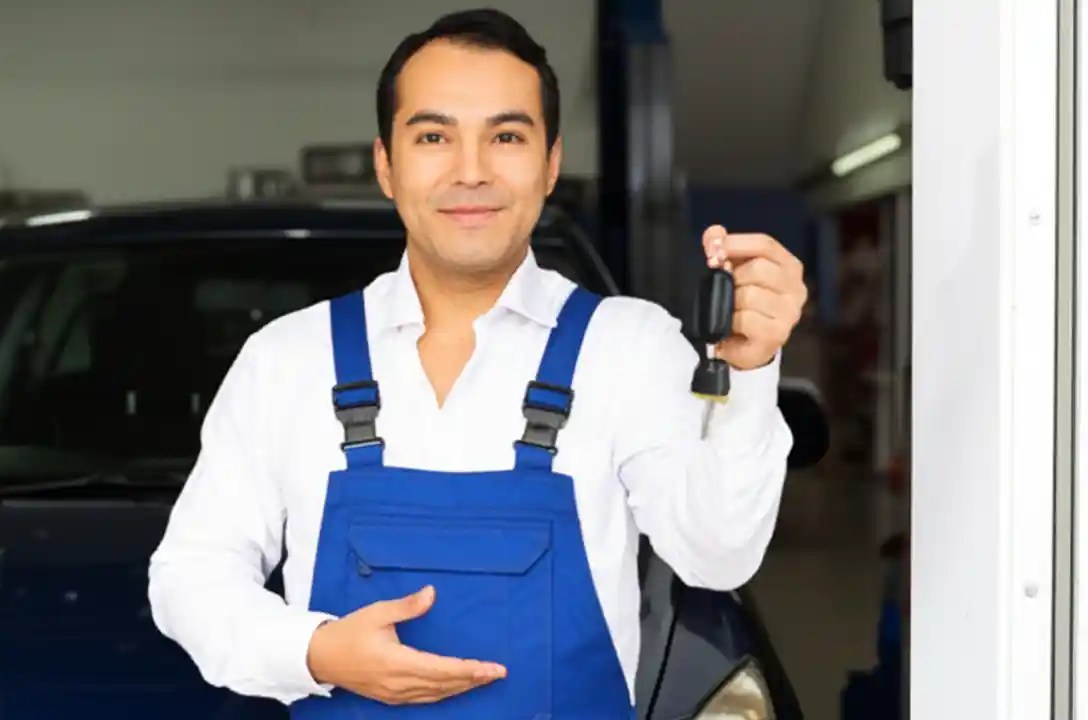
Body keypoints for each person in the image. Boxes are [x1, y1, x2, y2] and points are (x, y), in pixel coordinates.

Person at [148, 8, 807, 717]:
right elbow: (191, 576)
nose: (471, 171)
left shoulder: (629, 349)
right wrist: (316, 652)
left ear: (550, 163)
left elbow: (718, 557)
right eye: (434, 136)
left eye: (507, 136)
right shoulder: (286, 361)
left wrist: (748, 370)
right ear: (386, 165)